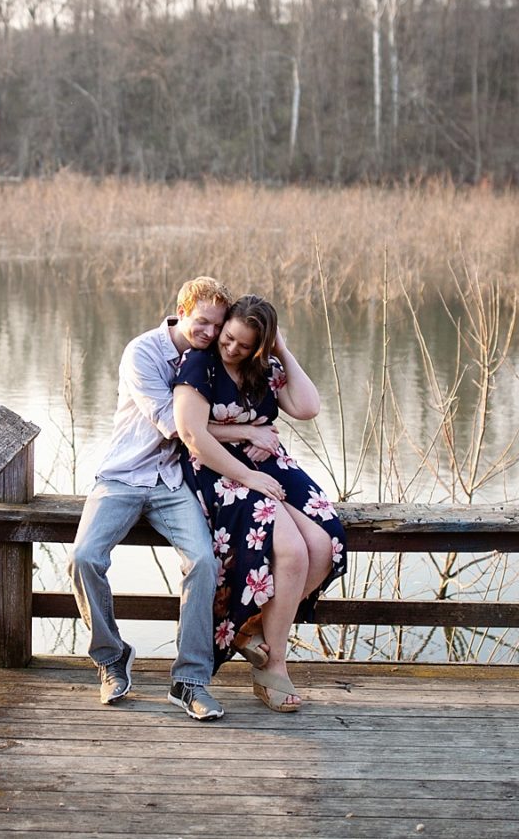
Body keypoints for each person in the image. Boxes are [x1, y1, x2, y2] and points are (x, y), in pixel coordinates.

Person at [69, 276, 269, 722]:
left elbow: (255, 390)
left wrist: (262, 428)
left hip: (173, 482)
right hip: (122, 476)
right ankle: (111, 656)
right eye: (203, 322)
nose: (210, 333)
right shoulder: (142, 352)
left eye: (217, 325)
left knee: (203, 560)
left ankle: (190, 679)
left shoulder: (211, 358)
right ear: (181, 311)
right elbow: (176, 426)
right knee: (84, 557)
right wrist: (246, 432)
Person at [173, 294, 348, 712]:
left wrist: (282, 351)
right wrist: (248, 451)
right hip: (221, 471)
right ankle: (276, 666)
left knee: (325, 544)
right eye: (228, 337)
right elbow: (191, 432)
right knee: (290, 551)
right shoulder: (201, 364)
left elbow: (306, 407)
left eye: (245, 344)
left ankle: (252, 628)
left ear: (260, 345)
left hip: (271, 464)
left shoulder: (264, 368)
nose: (232, 348)